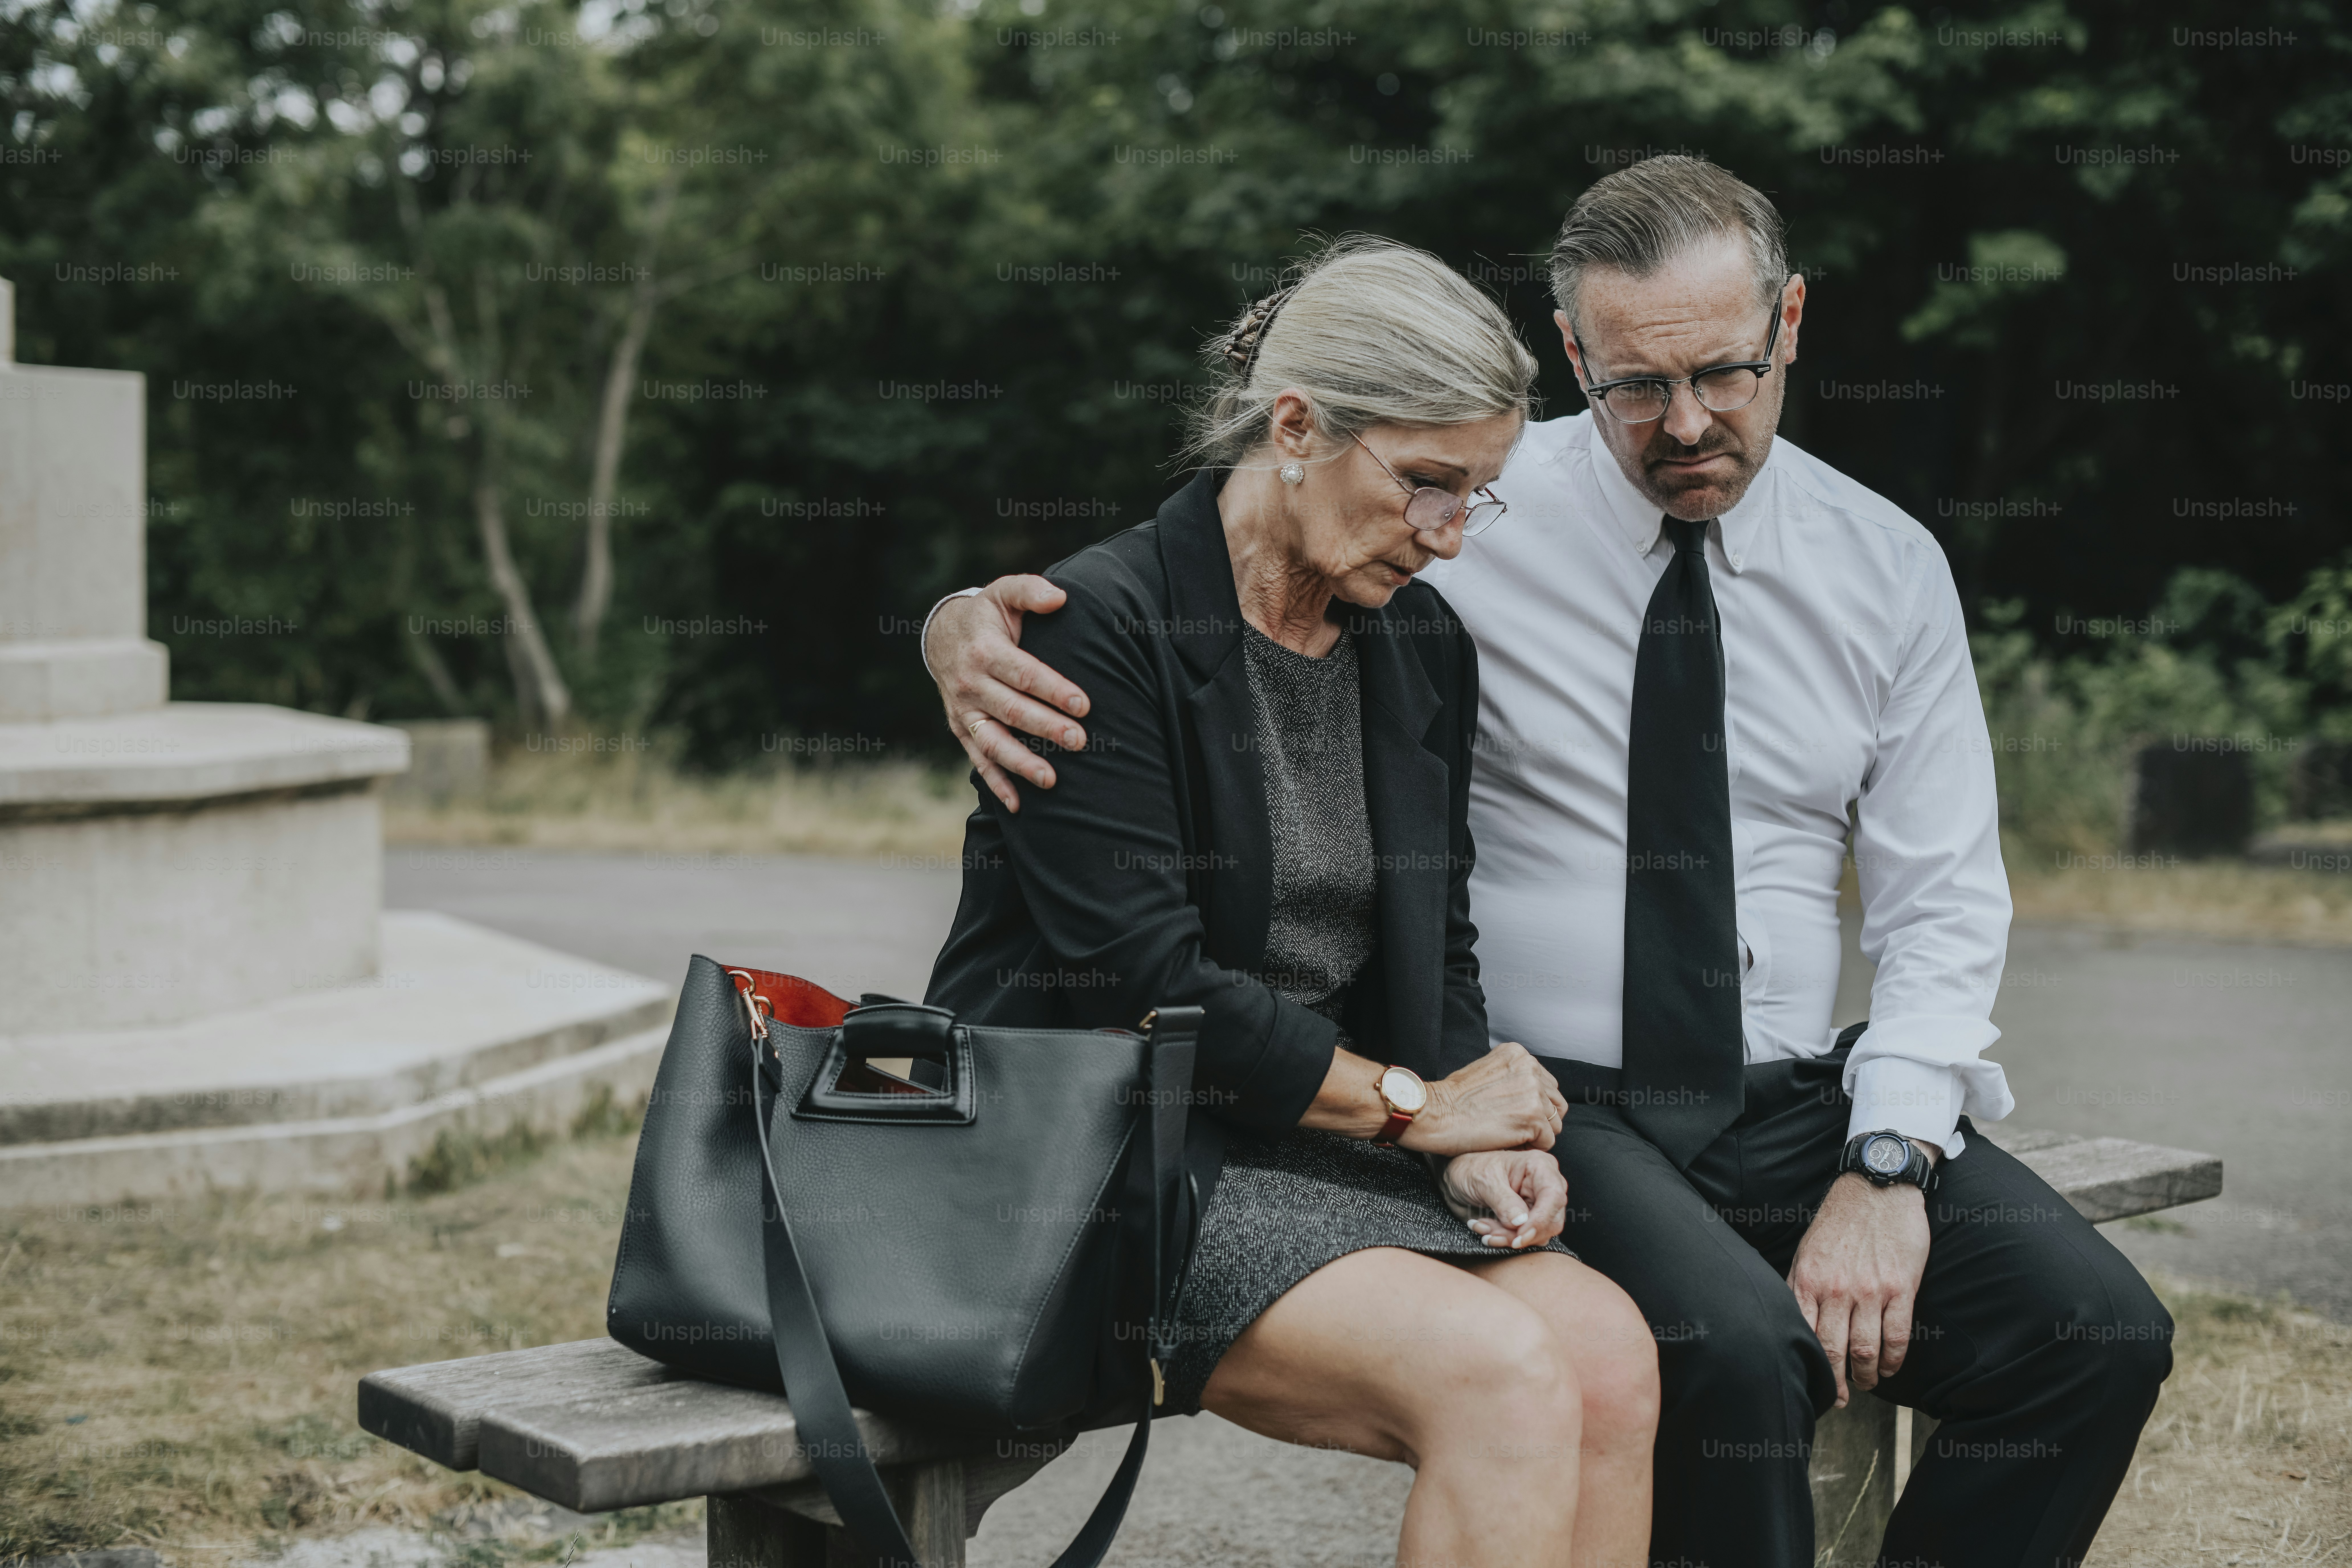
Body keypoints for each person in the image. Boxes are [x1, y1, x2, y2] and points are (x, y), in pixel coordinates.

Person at [923, 160, 2173, 1568]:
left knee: (2097, 1336)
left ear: (1793, 324)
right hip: (1384, 1108)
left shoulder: (1833, 569)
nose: (1687, 422)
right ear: (1579, 353)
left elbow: (1938, 901)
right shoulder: (1413, 539)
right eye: (1640, 384)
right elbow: (1186, 622)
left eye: (1727, 371)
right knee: (1682, 1359)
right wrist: (962, 620)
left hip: (1721, 1092)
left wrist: (1883, 1156)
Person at [922, 235, 1659, 1568]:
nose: (1447, 538)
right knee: (1502, 1375)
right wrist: (1419, 1108)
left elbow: (1435, 941)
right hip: (1113, 1158)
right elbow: (1143, 984)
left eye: (1476, 497)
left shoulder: (1423, 645)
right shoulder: (1099, 628)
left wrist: (1470, 1134)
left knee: (1612, 1356)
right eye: (1428, 484)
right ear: (1300, 426)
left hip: (1320, 1139)